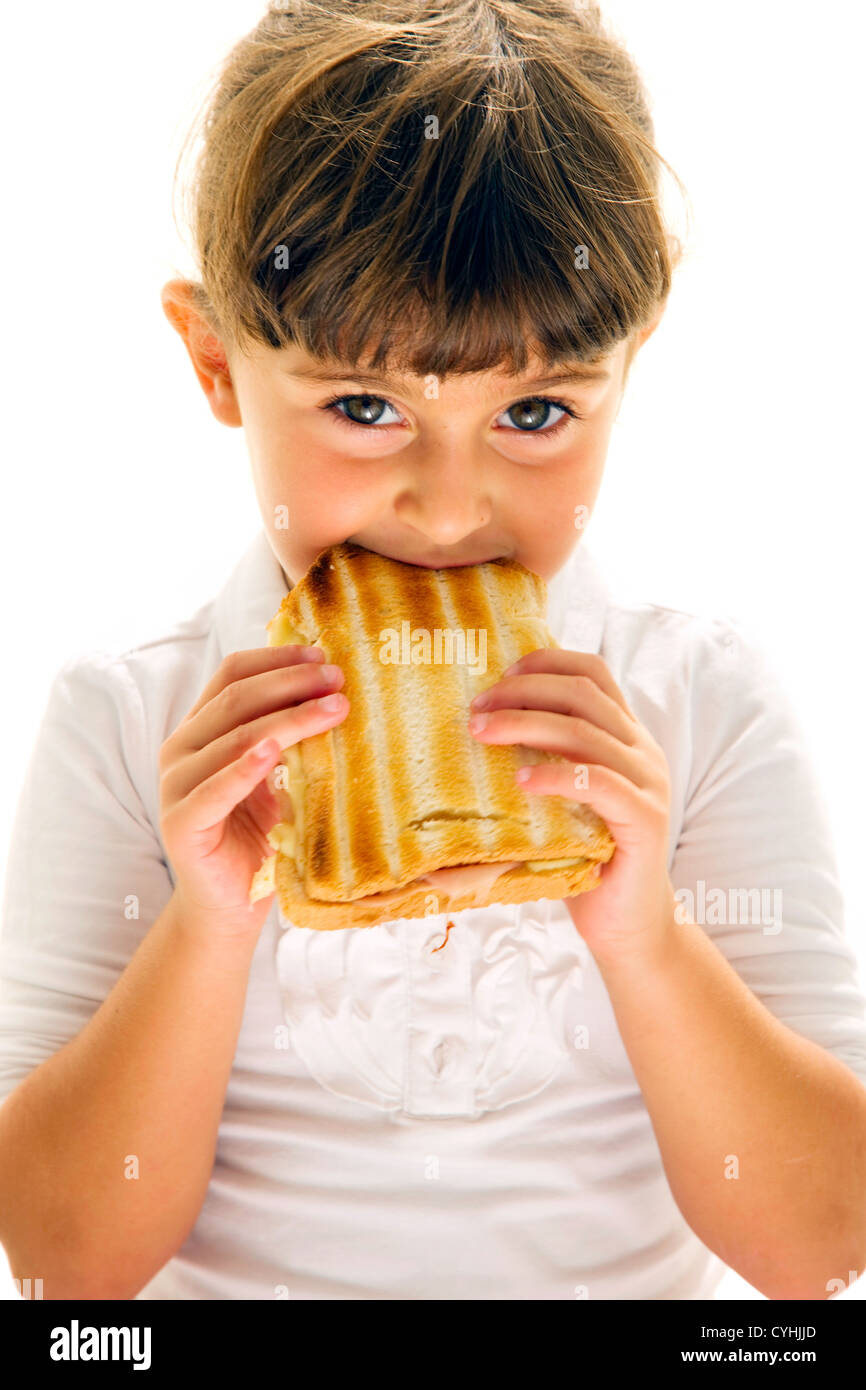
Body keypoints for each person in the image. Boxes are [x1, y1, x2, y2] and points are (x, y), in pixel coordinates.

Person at [2, 0, 866, 1301]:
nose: (448, 504)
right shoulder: (133, 715)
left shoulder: (698, 704)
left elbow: (816, 1244)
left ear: (630, 366)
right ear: (215, 362)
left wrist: (641, 932)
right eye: (362, 406)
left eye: (534, 410)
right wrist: (208, 926)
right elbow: (69, 1263)